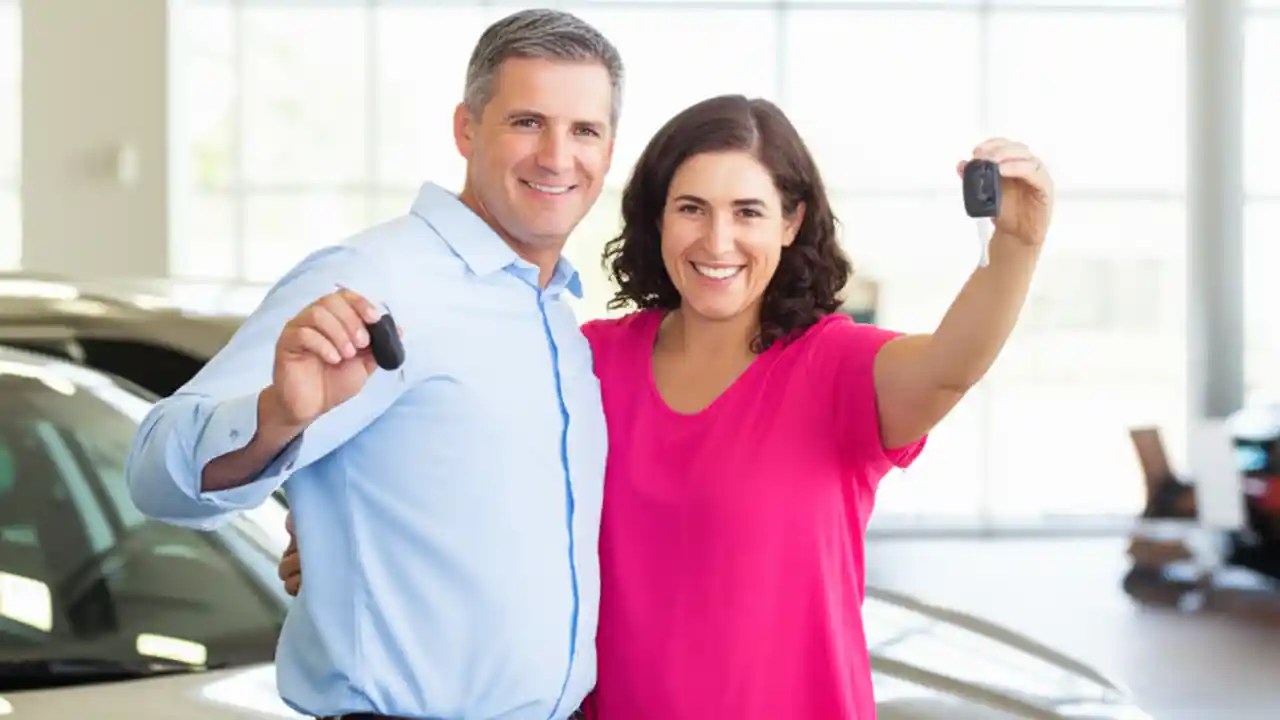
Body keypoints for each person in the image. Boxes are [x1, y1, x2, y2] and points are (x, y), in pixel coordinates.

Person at [280, 94, 1055, 718]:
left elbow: (950, 366)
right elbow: (473, 476)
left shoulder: (836, 369)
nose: (717, 241)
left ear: (791, 222)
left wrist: (1015, 246)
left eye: (747, 211)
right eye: (692, 208)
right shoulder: (589, 359)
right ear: (658, 218)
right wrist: (351, 537)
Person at [125, 8, 623, 720]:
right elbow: (154, 473)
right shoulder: (375, 276)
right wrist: (276, 417)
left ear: (609, 150)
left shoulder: (555, 318)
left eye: (584, 131)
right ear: (466, 128)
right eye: (527, 122)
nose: (557, 156)